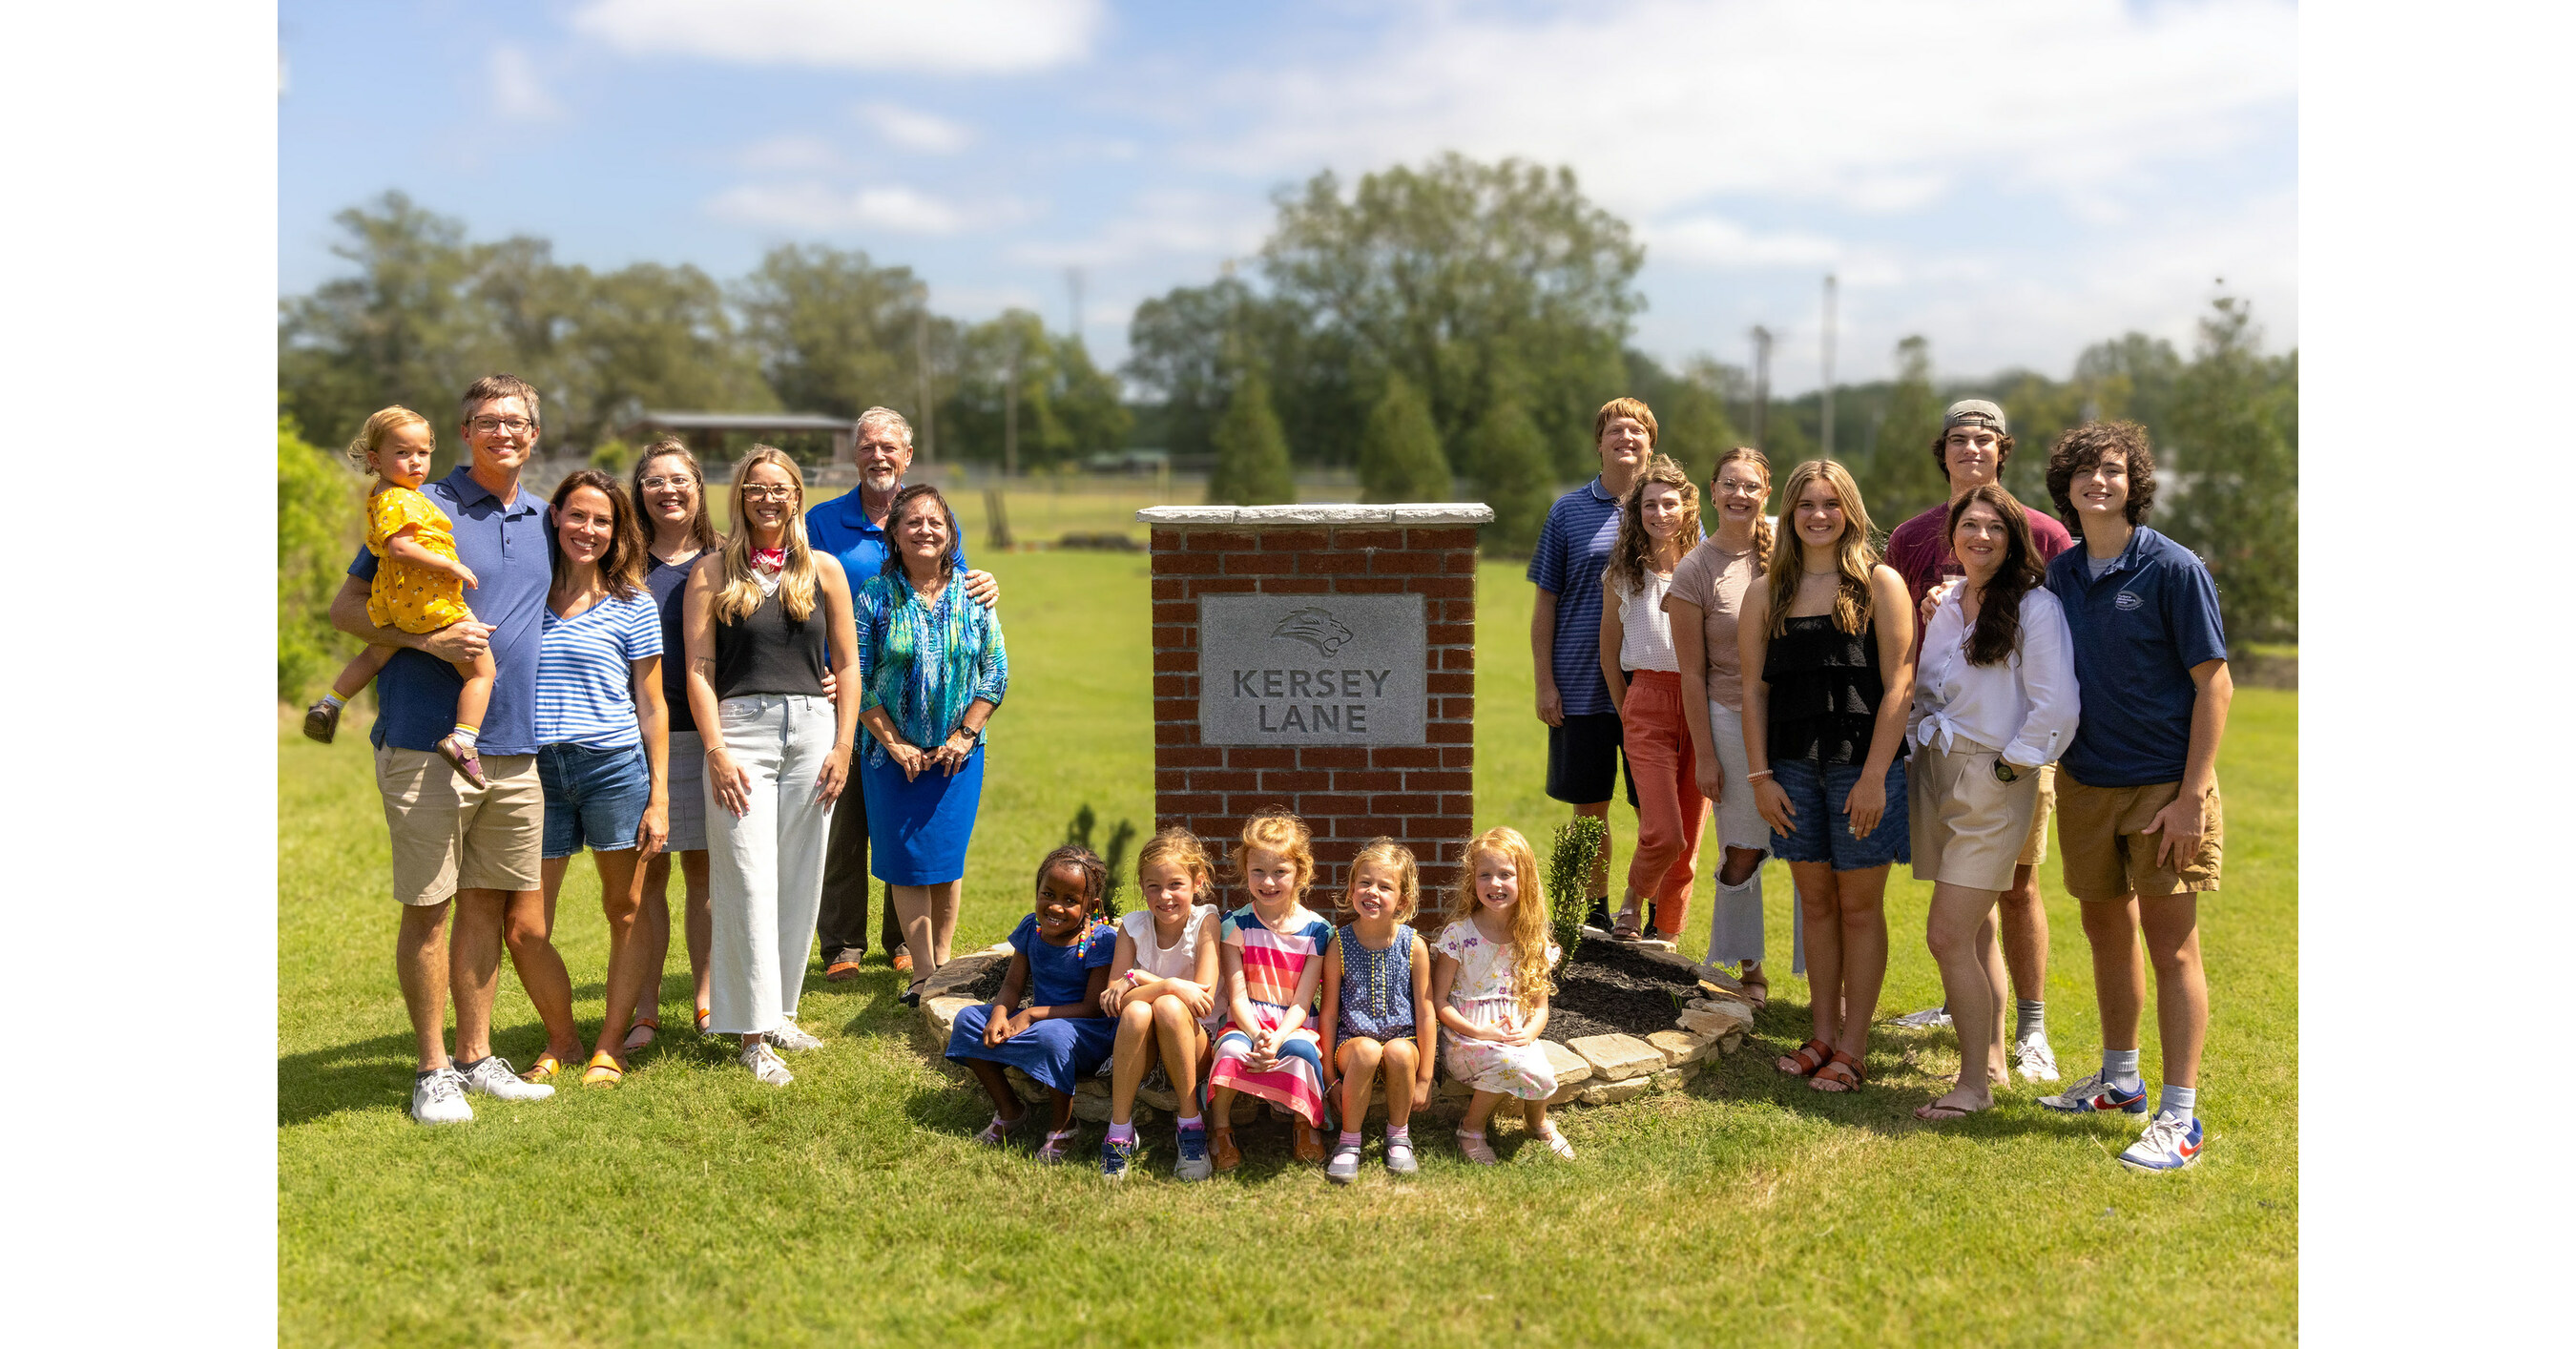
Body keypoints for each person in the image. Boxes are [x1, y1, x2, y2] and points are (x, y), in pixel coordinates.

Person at [327, 374, 563, 1124]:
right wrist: (424, 639)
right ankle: (432, 1071)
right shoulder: (421, 504)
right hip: (426, 742)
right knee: (429, 907)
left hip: (514, 746)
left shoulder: (543, 518)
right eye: (489, 421)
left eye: (517, 421)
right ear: (466, 432)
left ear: (534, 433)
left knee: (486, 907)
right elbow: (346, 608)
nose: (505, 432)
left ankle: (476, 1056)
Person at [2032, 422, 2232, 1175]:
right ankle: (2119, 1083)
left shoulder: (2174, 568)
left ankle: (2181, 1118)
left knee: (2172, 947)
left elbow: (2215, 683)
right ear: (2068, 487)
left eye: (2112, 470)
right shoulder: (2062, 575)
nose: (2099, 482)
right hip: (2086, 782)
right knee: (2106, 933)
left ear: (2133, 481)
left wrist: (2192, 797)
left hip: (2163, 789)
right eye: (2085, 472)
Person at [1883, 399, 2077, 1082]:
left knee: (2014, 890)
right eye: (1959, 439)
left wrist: (2018, 761)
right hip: (1941, 755)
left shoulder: (2047, 538)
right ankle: (1977, 1032)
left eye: (1984, 439)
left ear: (2003, 450)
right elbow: (1910, 655)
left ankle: (2029, 1029)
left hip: (2009, 756)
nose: (1971, 449)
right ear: (1943, 451)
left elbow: (2057, 672)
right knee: (1965, 912)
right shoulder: (1912, 540)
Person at [683, 446, 862, 1087]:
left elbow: (846, 666)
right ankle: (752, 1037)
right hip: (740, 735)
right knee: (748, 880)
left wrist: (843, 746)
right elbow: (700, 670)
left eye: (780, 488)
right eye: (756, 488)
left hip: (814, 732)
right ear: (740, 497)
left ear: (797, 497)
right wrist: (716, 750)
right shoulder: (710, 572)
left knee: (798, 877)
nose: (769, 498)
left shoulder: (827, 571)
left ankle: (781, 1012)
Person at [805, 407, 1000, 985]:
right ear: (854, 454)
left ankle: (903, 946)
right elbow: (797, 596)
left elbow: (959, 595)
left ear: (907, 455)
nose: (879, 456)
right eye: (868, 447)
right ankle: (842, 943)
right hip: (836, 693)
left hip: (924, 715)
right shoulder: (822, 521)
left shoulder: (932, 518)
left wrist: (989, 584)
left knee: (914, 829)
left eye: (889, 447)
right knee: (845, 825)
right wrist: (818, 667)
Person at [1739, 459, 1915, 1095]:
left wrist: (1873, 777)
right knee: (1814, 904)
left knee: (1860, 909)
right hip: (1789, 769)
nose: (1818, 515)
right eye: (1806, 504)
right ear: (1789, 515)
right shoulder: (1767, 593)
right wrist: (1760, 777)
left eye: (1830, 503)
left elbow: (1900, 685)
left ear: (1850, 511)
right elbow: (1754, 693)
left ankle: (1854, 1047)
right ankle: (1821, 1034)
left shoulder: (1881, 584)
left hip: (1862, 771)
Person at [514, 470, 672, 1089]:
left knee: (626, 908)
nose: (589, 530)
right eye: (578, 516)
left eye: (602, 520)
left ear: (617, 531)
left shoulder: (634, 605)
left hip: (613, 768)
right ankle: (562, 1040)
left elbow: (653, 706)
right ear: (555, 518)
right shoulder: (523, 598)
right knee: (525, 927)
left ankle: (611, 1043)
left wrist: (659, 796)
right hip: (537, 773)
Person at [853, 484, 1008, 1008]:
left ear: (950, 534)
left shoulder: (975, 593)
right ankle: (921, 973)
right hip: (890, 758)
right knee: (905, 862)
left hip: (958, 757)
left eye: (935, 522)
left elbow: (996, 672)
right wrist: (895, 745)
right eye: (913, 522)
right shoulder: (874, 596)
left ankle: (943, 964)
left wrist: (964, 735)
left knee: (945, 860)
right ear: (894, 534)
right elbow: (861, 679)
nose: (925, 530)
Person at [304, 407, 498, 788]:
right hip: (427, 601)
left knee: (378, 650)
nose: (416, 463)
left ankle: (331, 703)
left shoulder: (382, 494)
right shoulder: (403, 500)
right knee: (482, 671)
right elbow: (401, 547)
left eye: (423, 453)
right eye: (403, 453)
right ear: (375, 459)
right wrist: (450, 565)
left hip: (395, 603)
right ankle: (463, 740)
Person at [1529, 397, 1656, 931]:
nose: (1626, 439)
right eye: (1616, 431)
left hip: (1651, 684)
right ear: (1599, 442)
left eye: (1638, 432)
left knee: (1654, 809)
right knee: (1589, 811)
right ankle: (1592, 914)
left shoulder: (1669, 508)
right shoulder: (1567, 511)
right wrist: (1544, 683)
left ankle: (1651, 914)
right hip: (1580, 685)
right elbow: (1545, 605)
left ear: (1651, 444)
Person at [1669, 446, 1776, 1001]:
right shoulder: (1695, 570)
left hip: (1795, 721)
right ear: (1711, 491)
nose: (1739, 495)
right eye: (1729, 485)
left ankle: (1830, 971)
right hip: (1730, 720)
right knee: (1743, 846)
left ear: (1767, 492)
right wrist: (1706, 756)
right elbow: (1691, 675)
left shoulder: (1789, 550)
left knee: (1814, 850)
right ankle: (1747, 967)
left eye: (1750, 486)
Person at [626, 439, 719, 1045]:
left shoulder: (724, 560)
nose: (669, 490)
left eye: (679, 479)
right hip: (637, 741)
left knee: (707, 874)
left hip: (712, 736)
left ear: (699, 488)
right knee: (646, 877)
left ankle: (708, 1001)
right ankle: (645, 1008)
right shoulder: (622, 564)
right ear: (640, 493)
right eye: (655, 480)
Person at [1596, 451, 1707, 944]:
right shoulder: (1623, 574)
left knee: (1690, 840)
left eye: (1669, 504)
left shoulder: (1705, 571)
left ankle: (1666, 933)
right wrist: (1629, 713)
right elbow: (1607, 654)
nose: (1660, 514)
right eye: (1648, 506)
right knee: (1665, 830)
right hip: (1647, 698)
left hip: (1702, 702)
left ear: (1687, 508)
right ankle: (1631, 902)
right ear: (1636, 515)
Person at [947, 845, 1118, 1165]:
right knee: (969, 1019)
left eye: (1070, 900)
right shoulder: (1032, 929)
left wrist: (1030, 1014)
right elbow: (1012, 985)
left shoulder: (1100, 939)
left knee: (1051, 1036)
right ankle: (1010, 1111)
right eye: (1048, 894)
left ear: (1091, 905)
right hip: (1042, 1026)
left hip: (1087, 1034)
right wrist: (999, 1014)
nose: (1055, 907)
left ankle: (1063, 1128)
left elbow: (1094, 1008)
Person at [1205, 811, 1338, 1173]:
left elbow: (1302, 1001)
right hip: (1245, 1019)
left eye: (1280, 871)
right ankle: (1220, 1129)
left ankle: (1304, 1124)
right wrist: (1255, 1034)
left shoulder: (1317, 930)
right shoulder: (1235, 924)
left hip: (1293, 1023)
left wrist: (1276, 1039)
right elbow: (1236, 995)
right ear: (1245, 871)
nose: (1268, 882)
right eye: (1258, 872)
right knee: (1232, 1051)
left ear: (1300, 873)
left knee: (1301, 1055)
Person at [1433, 826, 1571, 1163]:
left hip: (1514, 1038)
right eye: (1485, 875)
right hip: (1466, 1040)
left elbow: (1540, 1007)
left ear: (1524, 879)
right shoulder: (1460, 935)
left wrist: (1529, 1033)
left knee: (1543, 1074)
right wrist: (1479, 1031)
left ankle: (1536, 1121)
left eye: (1506, 874)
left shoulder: (1531, 939)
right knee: (1505, 1065)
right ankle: (1471, 1128)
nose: (1495, 884)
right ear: (1473, 880)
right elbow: (1437, 1003)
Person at [1096, 827, 1222, 1181]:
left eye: (1176, 885)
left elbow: (1203, 998)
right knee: (1138, 1010)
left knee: (1167, 1006)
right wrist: (1167, 984)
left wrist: (1140, 979)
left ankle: (1190, 1124)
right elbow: (1114, 1000)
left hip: (1196, 1045)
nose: (1165, 896)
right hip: (1144, 1047)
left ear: (1198, 883)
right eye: (1153, 886)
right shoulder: (1133, 927)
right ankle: (1119, 1131)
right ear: (1142, 886)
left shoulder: (1206, 921)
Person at [1317, 839, 1436, 1183]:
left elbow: (1426, 1012)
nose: (1373, 892)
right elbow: (1327, 1013)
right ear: (1352, 888)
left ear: (1403, 899)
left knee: (1398, 1051)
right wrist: (1328, 1078)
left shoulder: (1414, 945)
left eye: (1385, 886)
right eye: (1365, 882)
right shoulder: (1339, 943)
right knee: (1368, 1050)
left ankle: (1398, 1136)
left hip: (1404, 1041)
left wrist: (1425, 1077)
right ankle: (1349, 1143)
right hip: (1352, 1046)